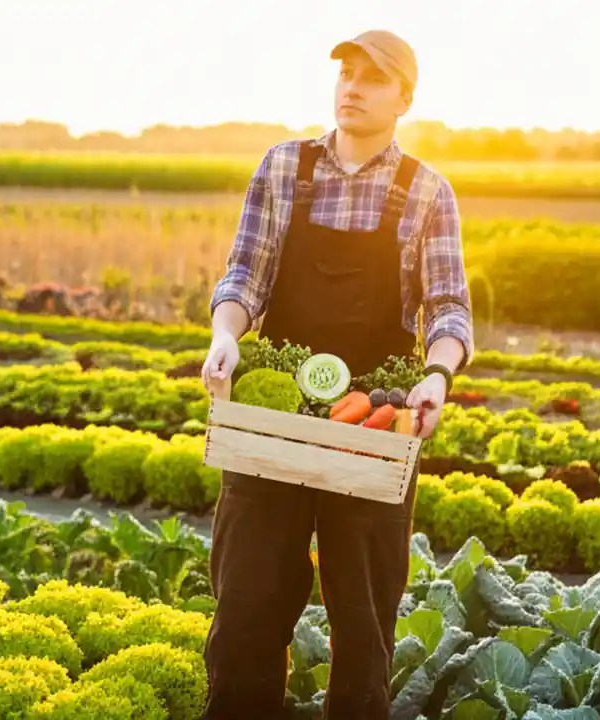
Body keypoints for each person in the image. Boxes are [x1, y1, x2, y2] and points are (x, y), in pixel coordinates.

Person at [198, 29, 474, 719]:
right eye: (346, 73)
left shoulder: (425, 192)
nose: (352, 87)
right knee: (247, 609)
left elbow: (448, 310)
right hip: (274, 426)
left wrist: (435, 378)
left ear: (404, 97)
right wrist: (223, 336)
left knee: (365, 622)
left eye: (372, 78)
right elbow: (245, 277)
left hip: (373, 430)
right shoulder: (284, 167)